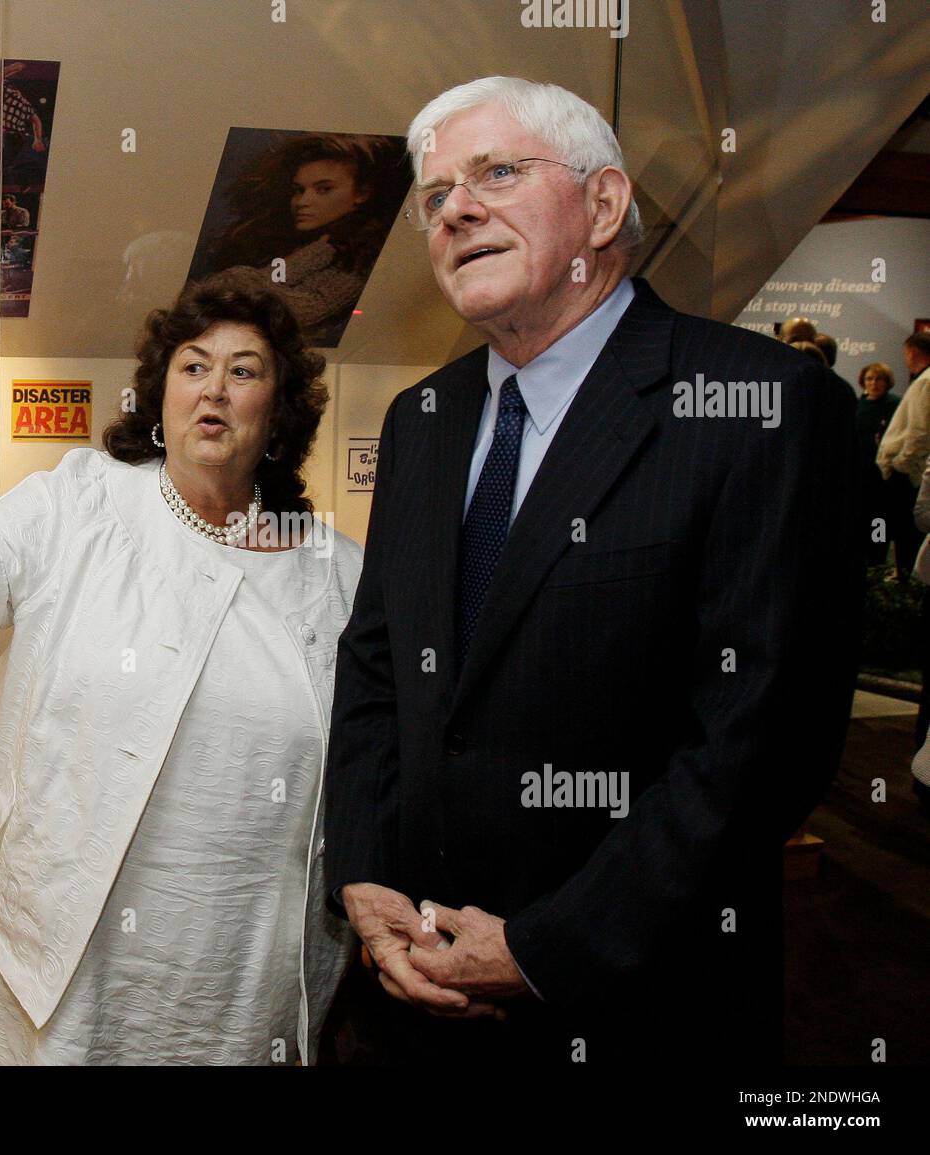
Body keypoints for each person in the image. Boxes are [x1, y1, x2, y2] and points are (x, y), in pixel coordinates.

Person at [323, 75, 862, 1066]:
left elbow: (759, 743)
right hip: (409, 1001)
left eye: (495, 173)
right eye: (434, 194)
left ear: (604, 206)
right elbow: (374, 670)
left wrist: (540, 949)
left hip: (633, 1009)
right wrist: (365, 884)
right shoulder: (422, 423)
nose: (457, 210)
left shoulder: (756, 407)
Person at [0, 282, 360, 1065]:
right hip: (54, 957)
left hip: (235, 978)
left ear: (280, 410)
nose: (215, 389)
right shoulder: (82, 501)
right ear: (161, 394)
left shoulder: (337, 575)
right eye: (194, 366)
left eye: (245, 370)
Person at [197, 134, 409, 346]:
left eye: (324, 189)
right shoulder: (289, 239)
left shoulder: (359, 258)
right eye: (299, 190)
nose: (303, 201)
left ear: (362, 193)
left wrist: (240, 279)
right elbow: (212, 292)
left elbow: (295, 311)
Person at [877, 332, 930, 578]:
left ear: (911, 351)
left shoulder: (926, 381)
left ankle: (906, 582)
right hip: (909, 469)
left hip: (907, 472)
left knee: (905, 534)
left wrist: (902, 463)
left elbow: (919, 430)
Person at [857, 362, 900, 566]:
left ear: (887, 382)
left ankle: (878, 559)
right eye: (869, 379)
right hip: (859, 473)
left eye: (879, 379)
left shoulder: (894, 405)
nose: (874, 383)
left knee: (880, 520)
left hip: (883, 475)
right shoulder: (857, 405)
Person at [0, 62, 47, 182]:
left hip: (7, 137)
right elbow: (36, 120)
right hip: (18, 140)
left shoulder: (8, 94)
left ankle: (26, 170)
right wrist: (37, 139)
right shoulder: (25, 103)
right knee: (2, 170)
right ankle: (24, 171)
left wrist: (13, 67)